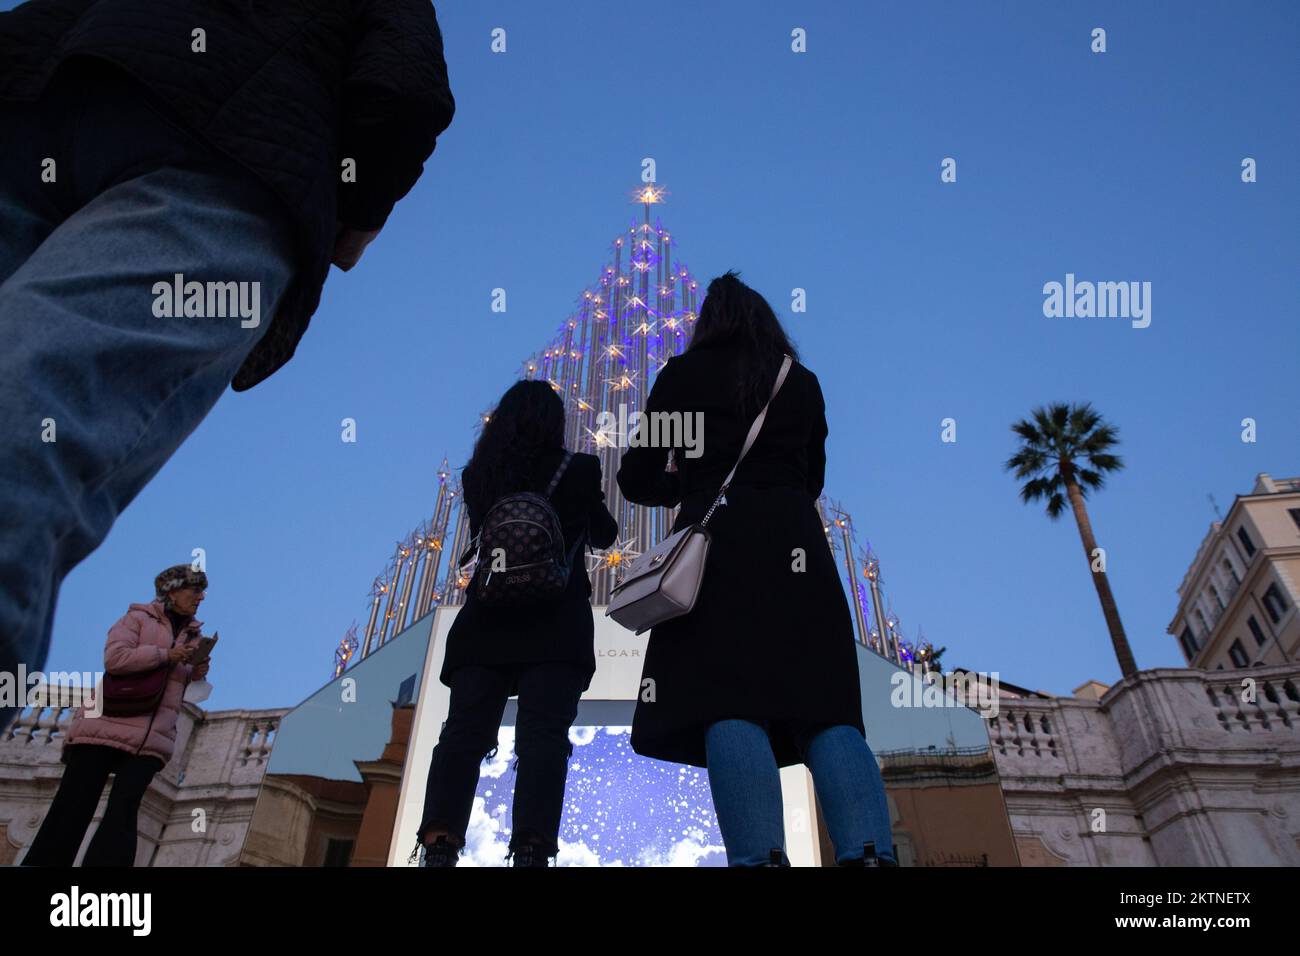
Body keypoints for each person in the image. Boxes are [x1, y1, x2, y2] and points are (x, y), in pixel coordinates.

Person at [0, 0, 456, 732]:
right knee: (31, 417)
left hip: (48, 85)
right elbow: (404, 89)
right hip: (235, 145)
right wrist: (355, 217)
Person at [616, 271, 898, 867]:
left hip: (716, 551)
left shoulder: (685, 377)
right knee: (826, 707)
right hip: (796, 547)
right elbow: (812, 477)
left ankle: (760, 857)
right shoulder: (800, 382)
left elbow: (638, 477)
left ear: (708, 321)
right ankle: (870, 854)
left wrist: (689, 479)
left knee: (730, 700)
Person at [415, 381, 619, 867]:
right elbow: (606, 534)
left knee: (463, 736)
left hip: (487, 622)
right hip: (556, 625)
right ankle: (531, 848)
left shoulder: (479, 474)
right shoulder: (579, 469)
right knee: (544, 739)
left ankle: (440, 842)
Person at [22, 564, 211, 867]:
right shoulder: (136, 618)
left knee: (124, 812)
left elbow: (176, 684)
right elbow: (116, 659)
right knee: (73, 805)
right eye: (195, 590)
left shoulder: (193, 635)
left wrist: (195, 671)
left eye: (203, 591)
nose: (201, 597)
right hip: (105, 725)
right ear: (172, 591)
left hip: (150, 736)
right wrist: (166, 654)